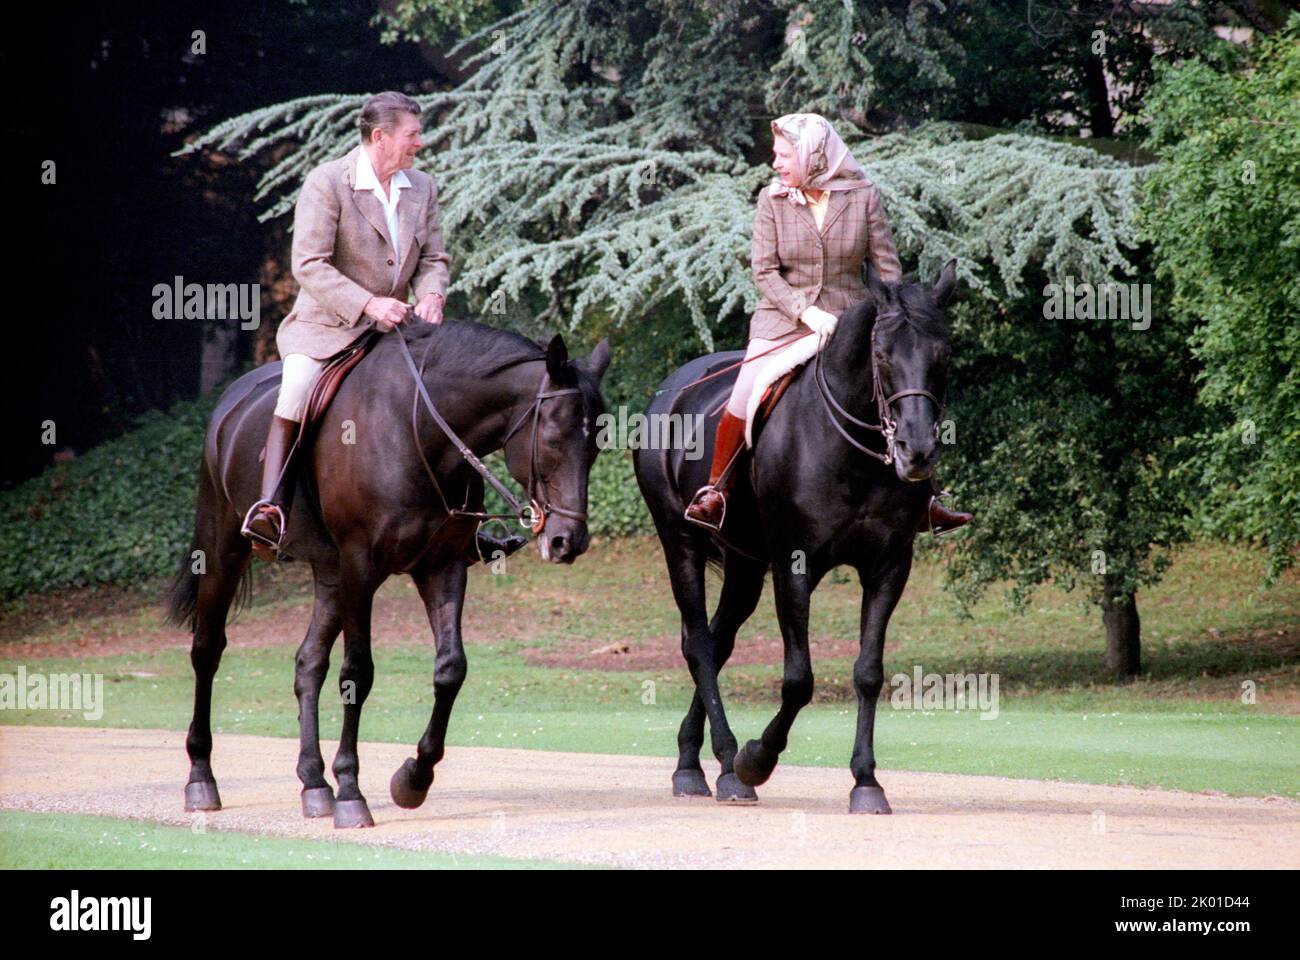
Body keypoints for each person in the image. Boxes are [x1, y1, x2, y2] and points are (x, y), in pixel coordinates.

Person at [683, 112, 972, 535]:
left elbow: (886, 270)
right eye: (776, 155)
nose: (776, 163)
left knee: (903, 388)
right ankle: (717, 492)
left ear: (812, 155)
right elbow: (764, 272)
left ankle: (927, 498)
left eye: (784, 155)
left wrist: (893, 319)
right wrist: (805, 311)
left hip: (851, 324)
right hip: (783, 323)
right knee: (745, 393)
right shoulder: (772, 199)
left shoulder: (863, 196)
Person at [241, 91, 450, 558]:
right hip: (326, 327)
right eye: (413, 135)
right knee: (296, 388)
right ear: (381, 137)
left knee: (450, 391)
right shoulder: (328, 182)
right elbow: (309, 265)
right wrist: (369, 303)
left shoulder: (423, 186)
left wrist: (432, 292)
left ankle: (461, 518)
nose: (421, 143)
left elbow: (433, 258)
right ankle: (270, 507)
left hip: (396, 329)